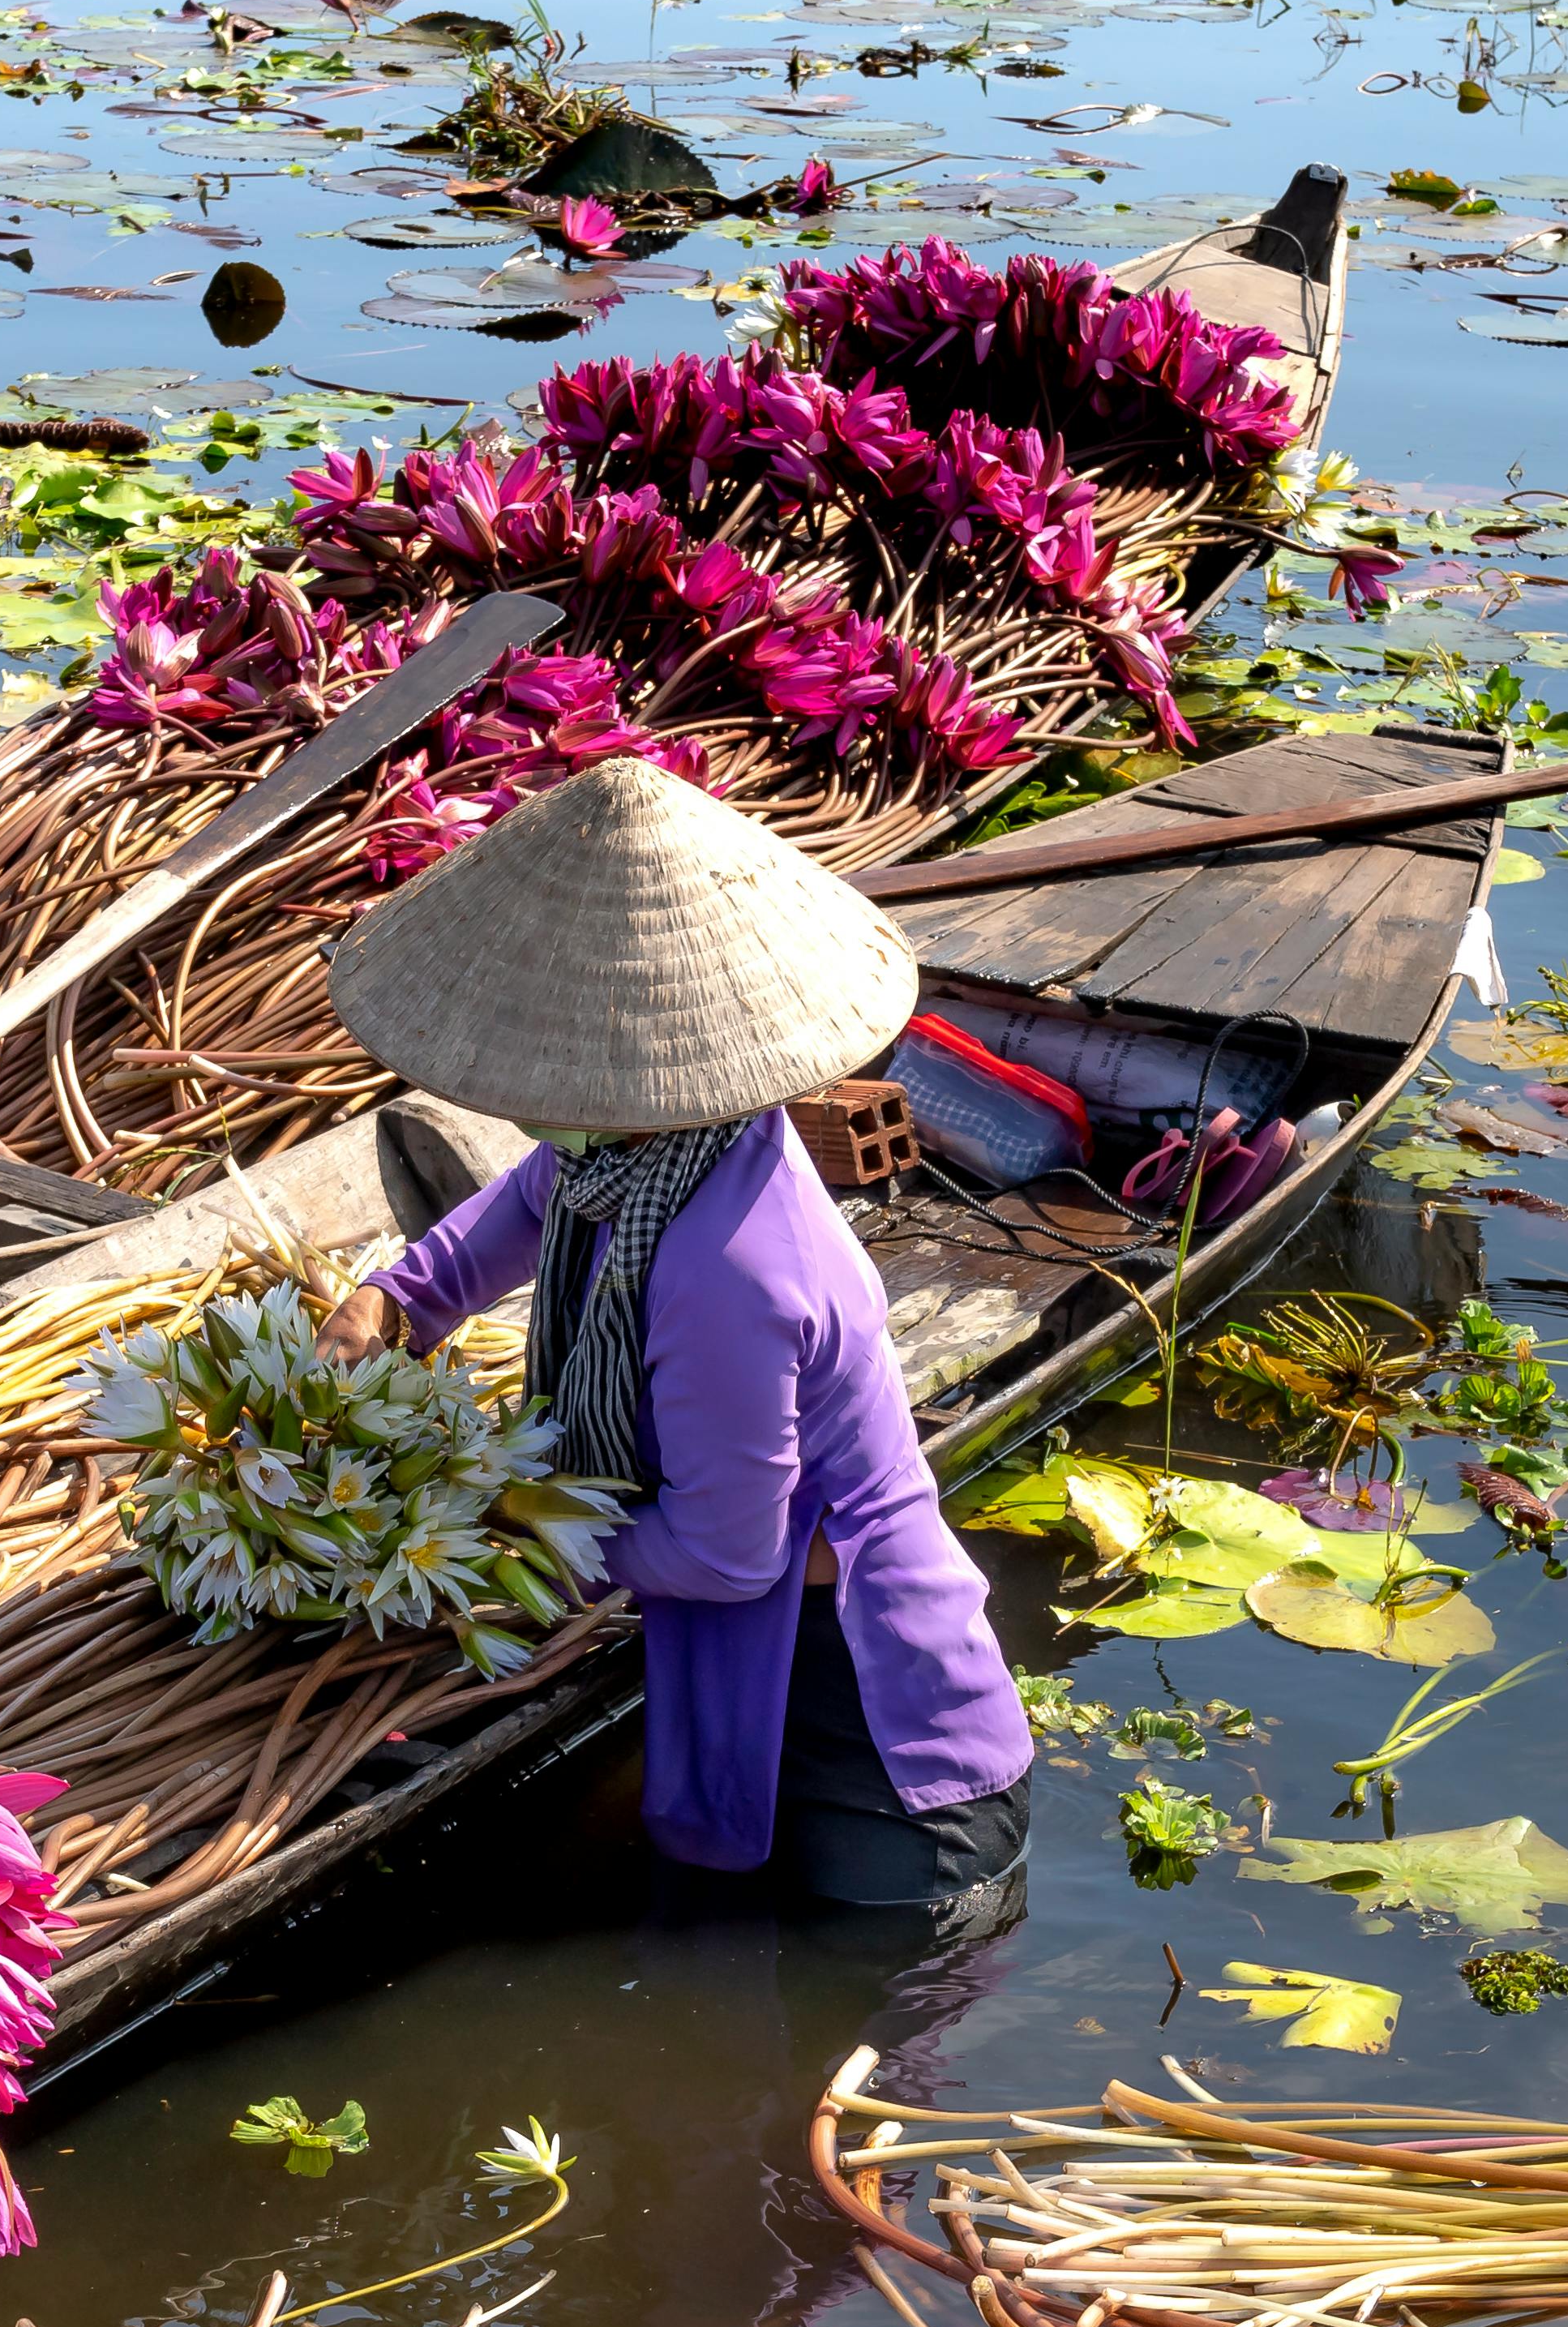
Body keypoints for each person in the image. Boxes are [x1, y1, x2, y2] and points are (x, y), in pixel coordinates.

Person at [323, 757, 1036, 1922]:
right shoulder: (625, 1154)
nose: (528, 1098)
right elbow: (485, 1240)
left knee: (865, 1998)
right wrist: (388, 1306)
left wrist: (499, 1526)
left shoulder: (727, 1270)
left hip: (868, 1727)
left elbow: (723, 1553)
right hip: (753, 1651)